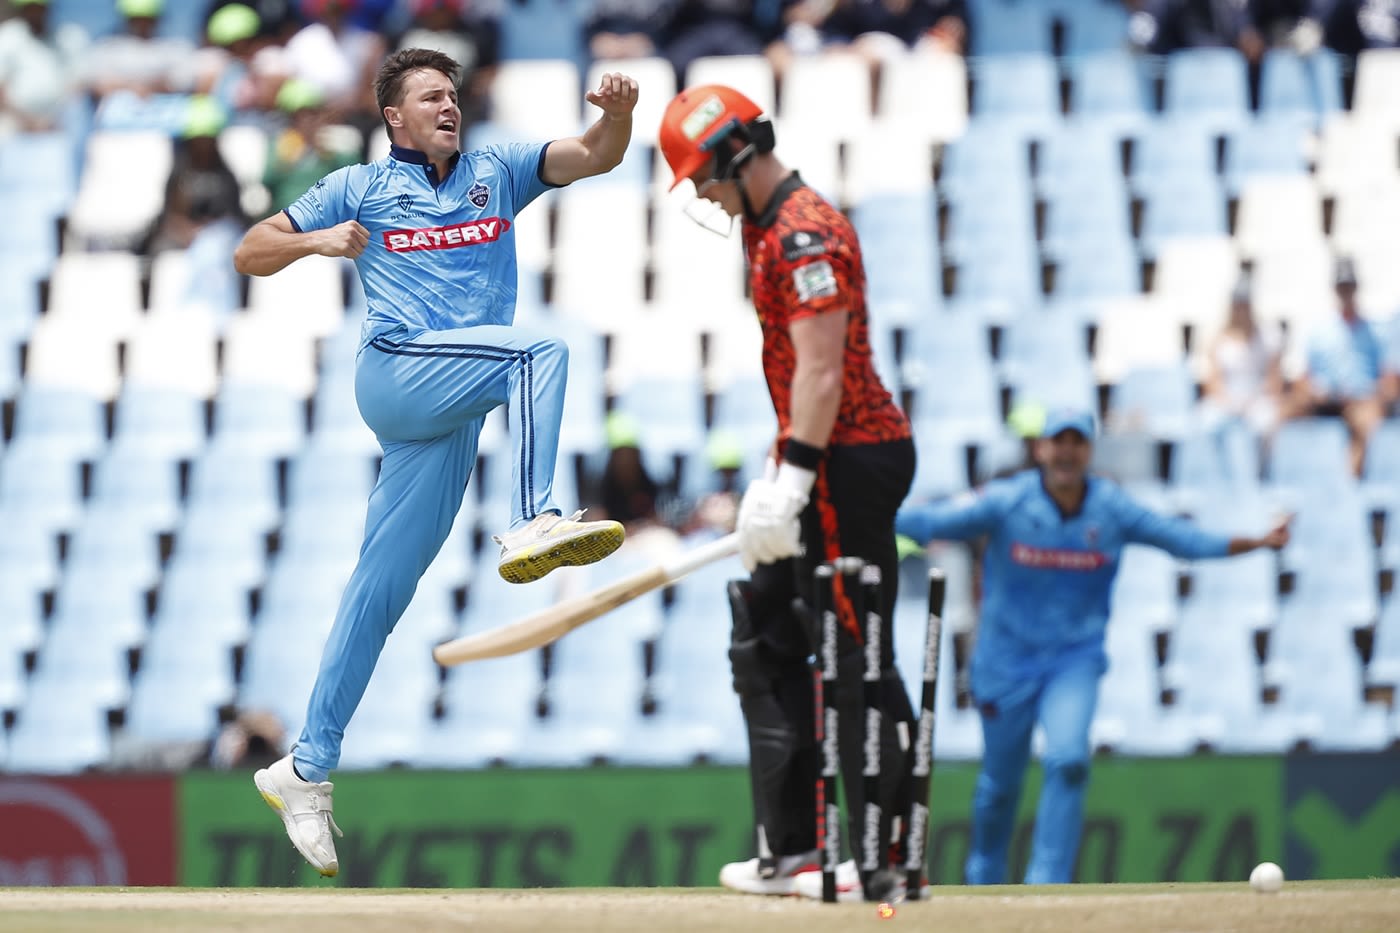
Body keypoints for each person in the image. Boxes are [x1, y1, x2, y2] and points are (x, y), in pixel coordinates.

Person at [233, 48, 638, 877]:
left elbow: (596, 153)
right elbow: (248, 250)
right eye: (429, 96)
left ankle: (306, 767)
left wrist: (620, 113)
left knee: (379, 590)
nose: (448, 106)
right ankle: (532, 518)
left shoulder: (500, 170)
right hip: (397, 371)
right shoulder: (358, 187)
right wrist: (316, 241)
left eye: (452, 94)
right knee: (539, 351)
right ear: (394, 116)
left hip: (448, 406)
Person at [658, 83, 918, 903]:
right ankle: (796, 851)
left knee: (855, 655)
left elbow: (821, 367)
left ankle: (884, 858)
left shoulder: (805, 231)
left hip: (849, 460)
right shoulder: (762, 226)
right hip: (812, 458)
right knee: (765, 626)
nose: (699, 191)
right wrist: (779, 477)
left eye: (702, 174)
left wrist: (796, 476)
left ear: (737, 152)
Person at [894, 406, 1291, 885]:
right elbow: (931, 522)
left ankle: (1047, 886)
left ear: (1088, 450)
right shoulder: (1008, 501)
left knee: (1068, 762)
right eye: (1057, 442)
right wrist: (861, 516)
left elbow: (1180, 538)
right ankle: (984, 879)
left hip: (1072, 661)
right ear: (1040, 449)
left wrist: (1255, 542)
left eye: (1076, 442)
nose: (1066, 452)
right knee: (999, 787)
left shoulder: (1112, 508)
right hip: (1004, 662)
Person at [1285, 257, 1398, 476]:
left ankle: (1351, 482)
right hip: (1325, 400)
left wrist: (1371, 393)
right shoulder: (1318, 330)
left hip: (1361, 399)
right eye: (1341, 287)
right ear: (1334, 289)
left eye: (1349, 287)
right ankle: (1274, 483)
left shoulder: (1376, 331)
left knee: (1367, 420)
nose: (1346, 293)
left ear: (1357, 288)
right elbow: (1302, 377)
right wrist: (1316, 392)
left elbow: (1389, 379)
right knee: (1283, 412)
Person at [1199, 273, 1285, 442]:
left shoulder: (1268, 336)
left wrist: (1253, 399)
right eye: (1237, 304)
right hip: (1226, 400)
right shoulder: (1217, 338)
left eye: (1244, 304)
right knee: (1206, 423)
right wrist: (1231, 403)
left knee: (1266, 423)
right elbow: (1212, 382)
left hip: (1258, 398)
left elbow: (1275, 380)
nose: (1241, 309)